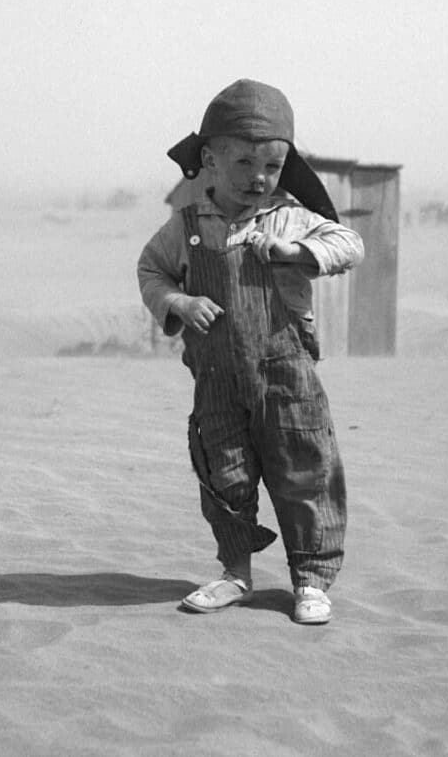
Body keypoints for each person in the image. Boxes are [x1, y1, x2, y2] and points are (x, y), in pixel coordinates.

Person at [137, 79, 364, 624]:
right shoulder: (185, 228)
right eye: (244, 164)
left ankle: (310, 581)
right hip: (217, 381)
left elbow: (349, 244)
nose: (259, 179)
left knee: (304, 474)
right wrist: (179, 301)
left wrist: (297, 251)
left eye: (273, 167)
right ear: (210, 161)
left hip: (287, 382)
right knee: (226, 478)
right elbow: (151, 271)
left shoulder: (289, 217)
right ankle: (235, 574)